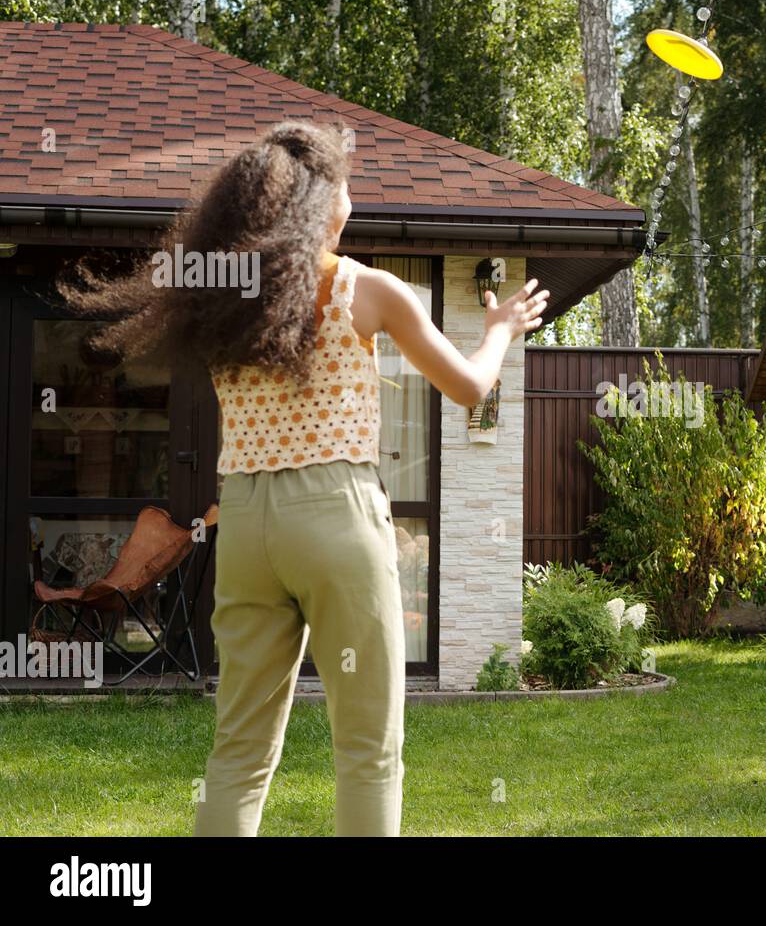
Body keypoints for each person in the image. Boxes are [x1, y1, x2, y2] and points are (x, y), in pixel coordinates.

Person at [57, 121, 547, 833]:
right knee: (368, 751)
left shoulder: (222, 306)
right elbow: (470, 388)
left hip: (247, 522)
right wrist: (499, 327)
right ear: (320, 202)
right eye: (346, 184)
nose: (354, 199)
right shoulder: (366, 290)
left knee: (239, 752)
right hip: (336, 516)